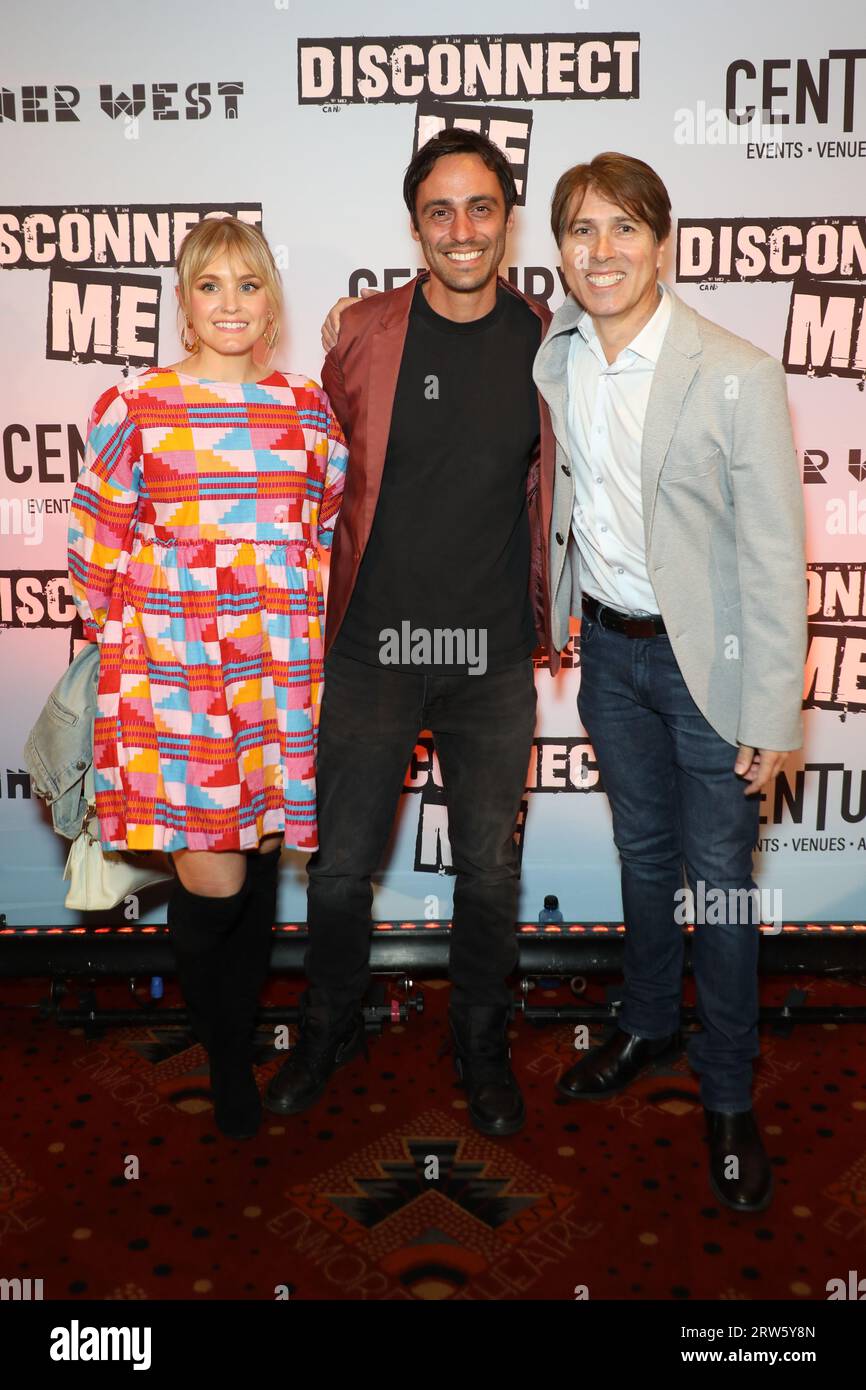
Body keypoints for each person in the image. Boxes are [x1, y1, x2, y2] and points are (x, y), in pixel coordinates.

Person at [264, 129, 558, 1137]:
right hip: (371, 650)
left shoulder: (544, 338)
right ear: (414, 224)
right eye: (440, 210)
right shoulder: (363, 336)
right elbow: (309, 473)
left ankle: (478, 1040)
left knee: (487, 868)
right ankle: (328, 1024)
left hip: (487, 659)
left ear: (506, 219)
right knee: (340, 865)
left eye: (481, 208)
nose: (462, 229)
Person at [533, 152, 807, 1210]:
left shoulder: (732, 369)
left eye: (621, 230)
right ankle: (647, 1025)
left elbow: (776, 554)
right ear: (557, 249)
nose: (600, 253)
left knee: (721, 881)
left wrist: (774, 709)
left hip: (712, 668)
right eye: (579, 231)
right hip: (606, 652)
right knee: (641, 859)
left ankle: (728, 1094)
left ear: (662, 241)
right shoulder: (553, 359)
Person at [67, 216, 348, 1139]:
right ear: (183, 303)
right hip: (174, 678)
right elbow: (94, 555)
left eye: (250, 284)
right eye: (210, 285)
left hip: (277, 674)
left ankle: (233, 1030)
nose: (232, 303)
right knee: (212, 878)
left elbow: (324, 531)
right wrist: (145, 655)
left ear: (272, 301)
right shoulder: (135, 406)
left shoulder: (308, 409)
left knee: (262, 857)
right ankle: (228, 1052)